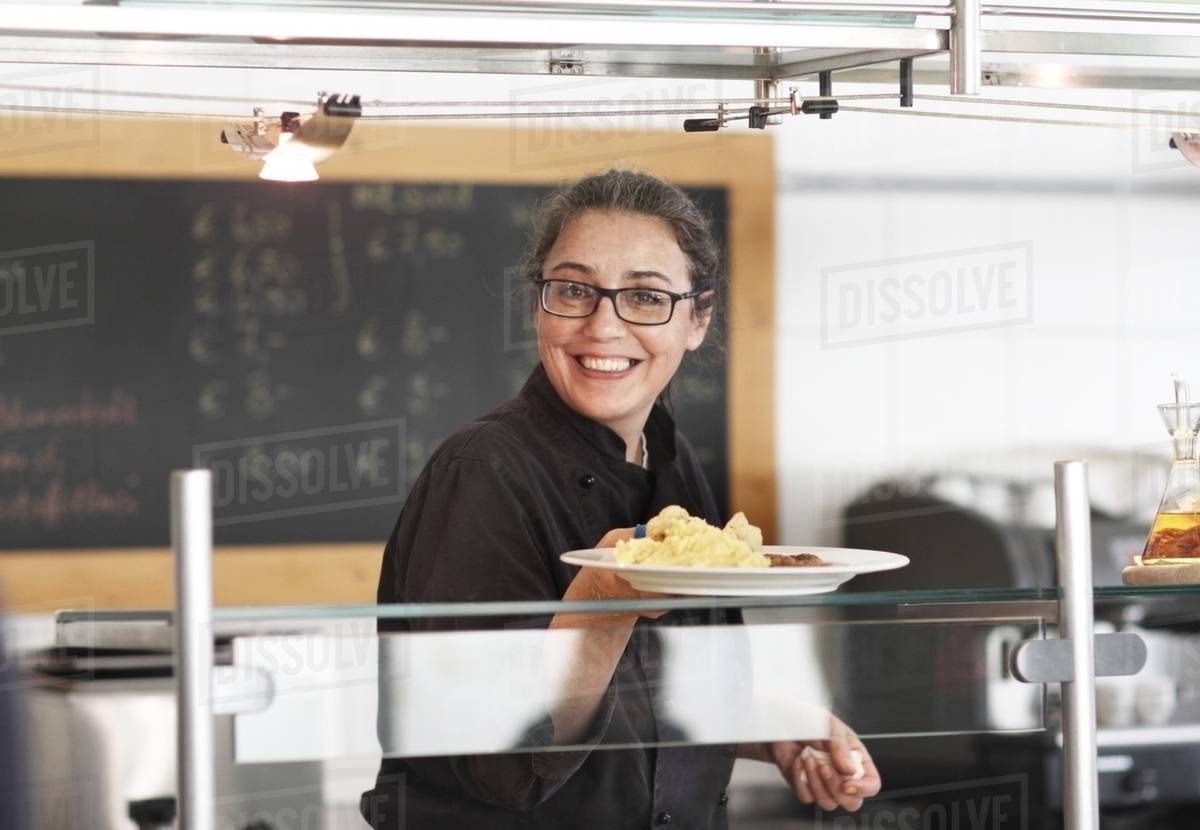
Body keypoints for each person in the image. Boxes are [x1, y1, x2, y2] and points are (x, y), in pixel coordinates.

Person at [361, 169, 881, 829]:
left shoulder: (670, 458)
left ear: (699, 319)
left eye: (645, 296)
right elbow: (502, 762)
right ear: (537, 305)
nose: (602, 327)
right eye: (574, 290)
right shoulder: (484, 471)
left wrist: (775, 730)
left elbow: (655, 689)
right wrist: (602, 602)